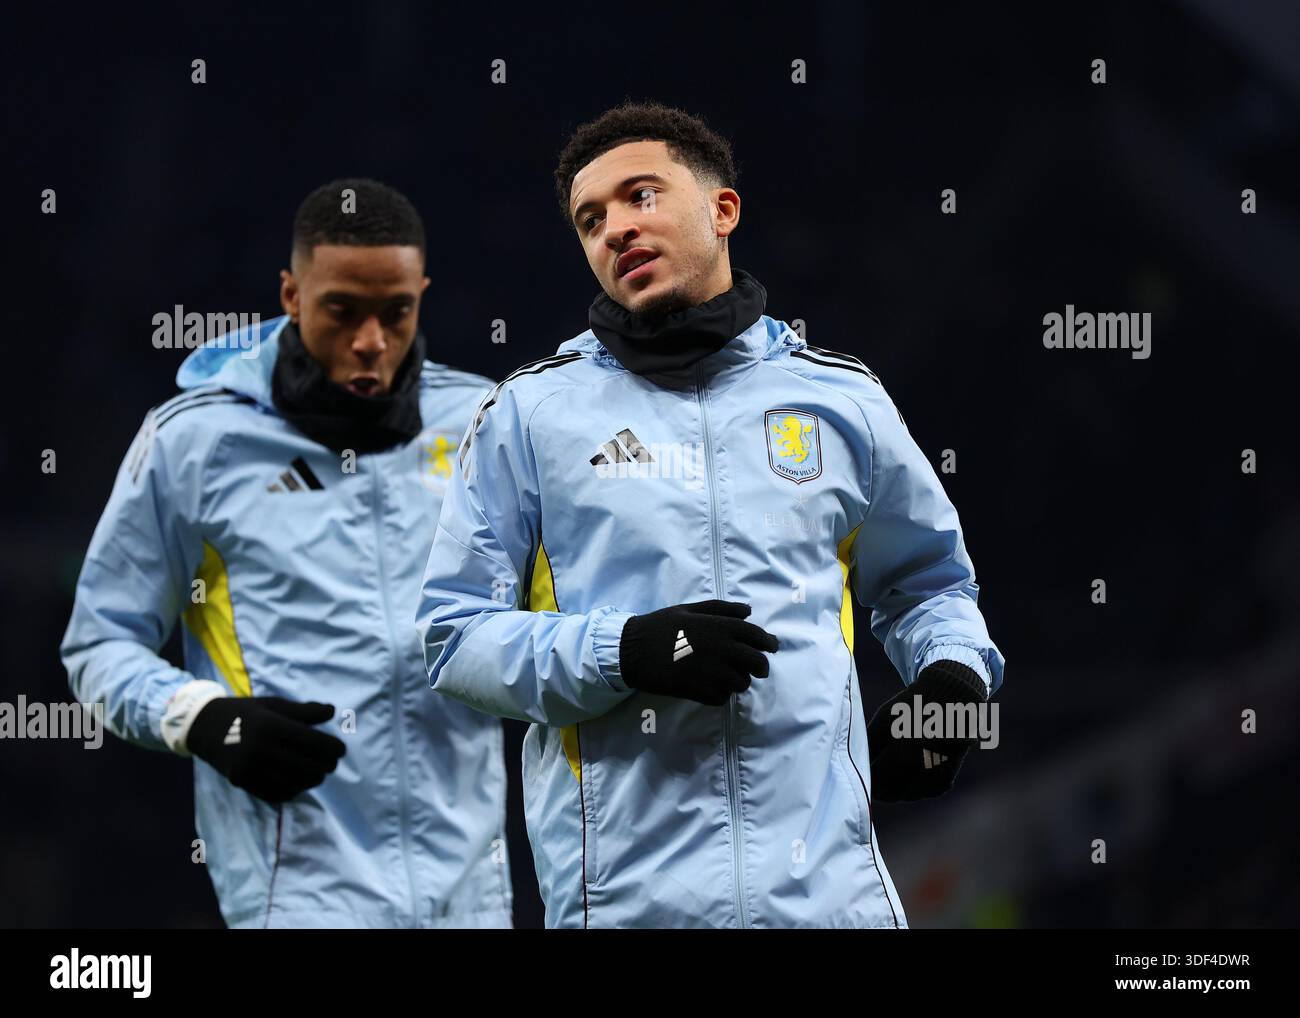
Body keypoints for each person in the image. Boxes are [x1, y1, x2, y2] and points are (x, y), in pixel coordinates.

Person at [418, 103, 1005, 928]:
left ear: (723, 210)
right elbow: (453, 637)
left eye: (641, 197)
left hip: (837, 908)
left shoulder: (842, 399)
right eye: (592, 220)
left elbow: (929, 583)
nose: (616, 229)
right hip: (628, 909)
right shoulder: (529, 415)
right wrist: (623, 649)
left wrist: (954, 683)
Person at [62, 179, 511, 928]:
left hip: (472, 898)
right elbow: (99, 642)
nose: (371, 339)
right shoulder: (193, 443)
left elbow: (555, 608)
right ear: (291, 295)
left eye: (396, 311)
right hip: (297, 892)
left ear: (422, 294)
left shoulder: (483, 423)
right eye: (343, 310)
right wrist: (202, 718)